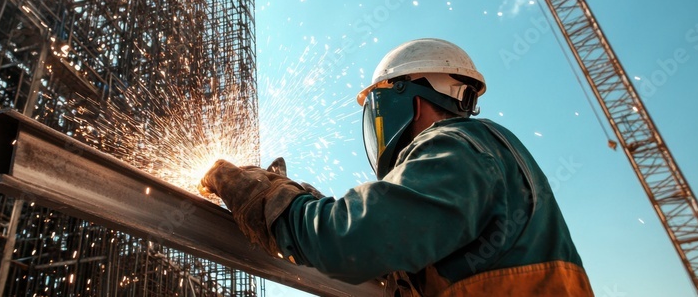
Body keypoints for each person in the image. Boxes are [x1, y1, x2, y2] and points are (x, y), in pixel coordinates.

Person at [201, 38, 592, 296]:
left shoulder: (454, 148)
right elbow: (401, 251)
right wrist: (309, 203)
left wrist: (273, 202)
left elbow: (349, 240)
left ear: (409, 102)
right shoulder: (489, 152)